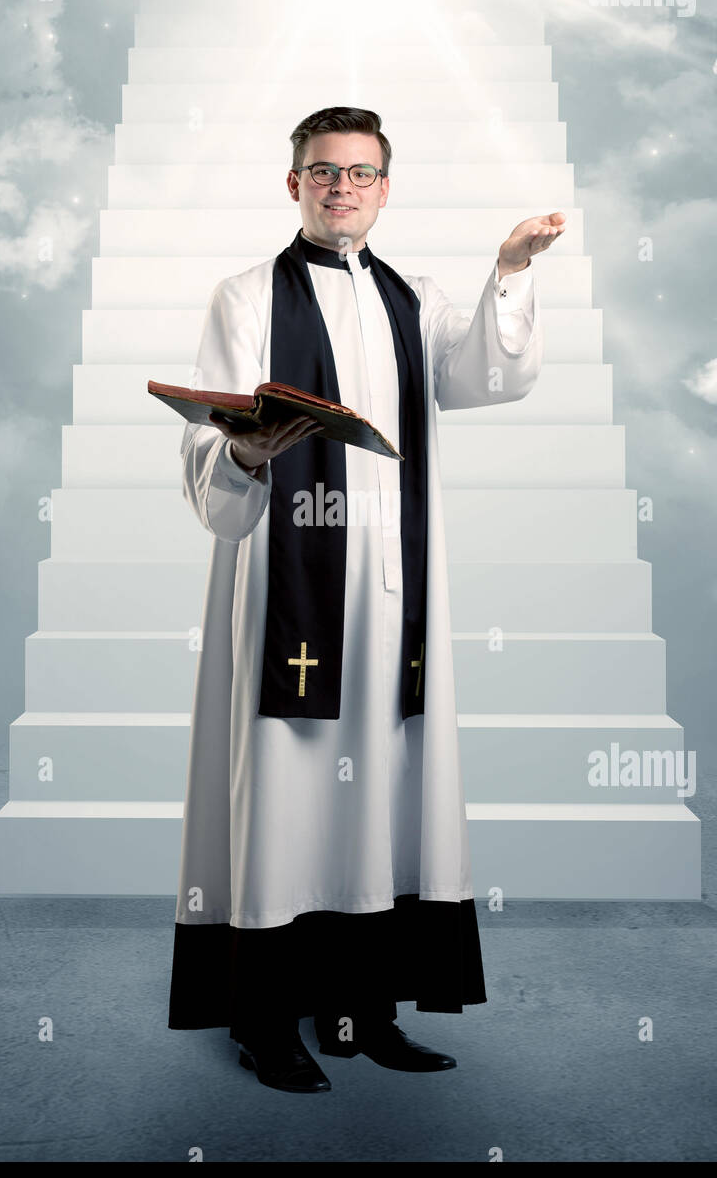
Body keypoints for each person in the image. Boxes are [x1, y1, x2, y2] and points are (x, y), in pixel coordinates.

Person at [167, 105, 565, 1093]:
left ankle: (367, 1010)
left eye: (360, 172)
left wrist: (510, 268)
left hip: (393, 590)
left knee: (387, 792)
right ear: (292, 183)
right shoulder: (246, 295)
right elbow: (210, 438)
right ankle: (268, 1020)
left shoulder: (413, 299)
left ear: (386, 189)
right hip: (289, 590)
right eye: (322, 171)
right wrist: (243, 452)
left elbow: (487, 377)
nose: (341, 186)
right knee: (286, 791)